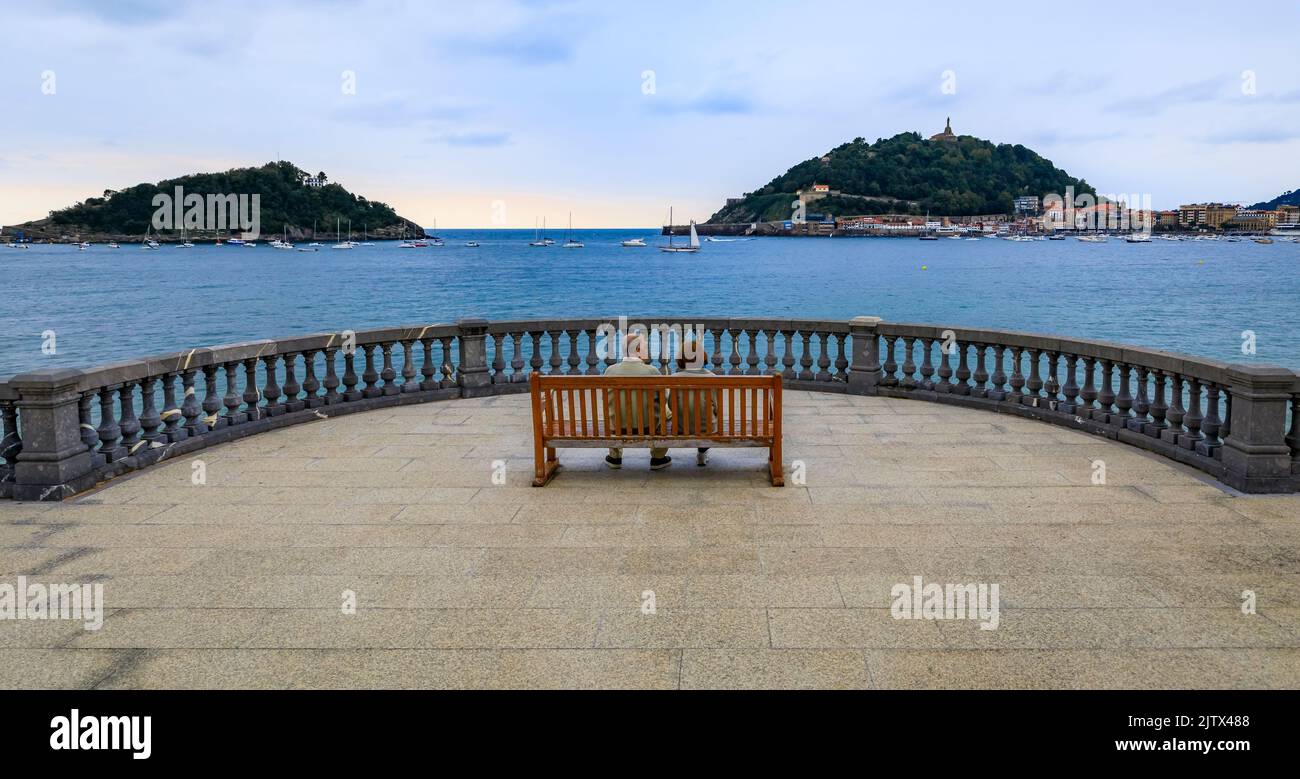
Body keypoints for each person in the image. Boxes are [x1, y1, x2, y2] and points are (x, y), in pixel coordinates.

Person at [604, 332, 671, 470]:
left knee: (613, 409)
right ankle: (658, 458)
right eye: (646, 347)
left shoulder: (610, 371)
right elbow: (664, 398)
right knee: (668, 413)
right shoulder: (652, 372)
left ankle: (615, 457)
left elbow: (606, 399)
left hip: (618, 427)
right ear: (638, 349)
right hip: (648, 426)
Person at [671, 343, 719, 466]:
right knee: (709, 419)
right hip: (707, 429)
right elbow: (718, 407)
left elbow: (671, 405)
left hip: (681, 427)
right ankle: (702, 452)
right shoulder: (712, 377)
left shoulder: (674, 378)